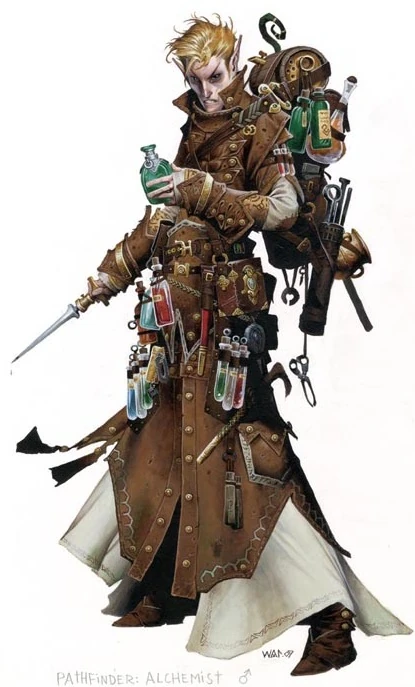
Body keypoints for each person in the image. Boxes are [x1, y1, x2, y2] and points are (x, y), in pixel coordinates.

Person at [27, 15, 410, 677]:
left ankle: (332, 618)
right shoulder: (193, 129)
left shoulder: (263, 127)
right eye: (197, 79)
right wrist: (107, 277)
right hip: (174, 321)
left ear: (233, 63)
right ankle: (163, 585)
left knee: (256, 462)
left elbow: (281, 208)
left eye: (217, 74)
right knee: (160, 449)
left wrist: (205, 190)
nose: (209, 89)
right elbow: (165, 217)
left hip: (230, 325)